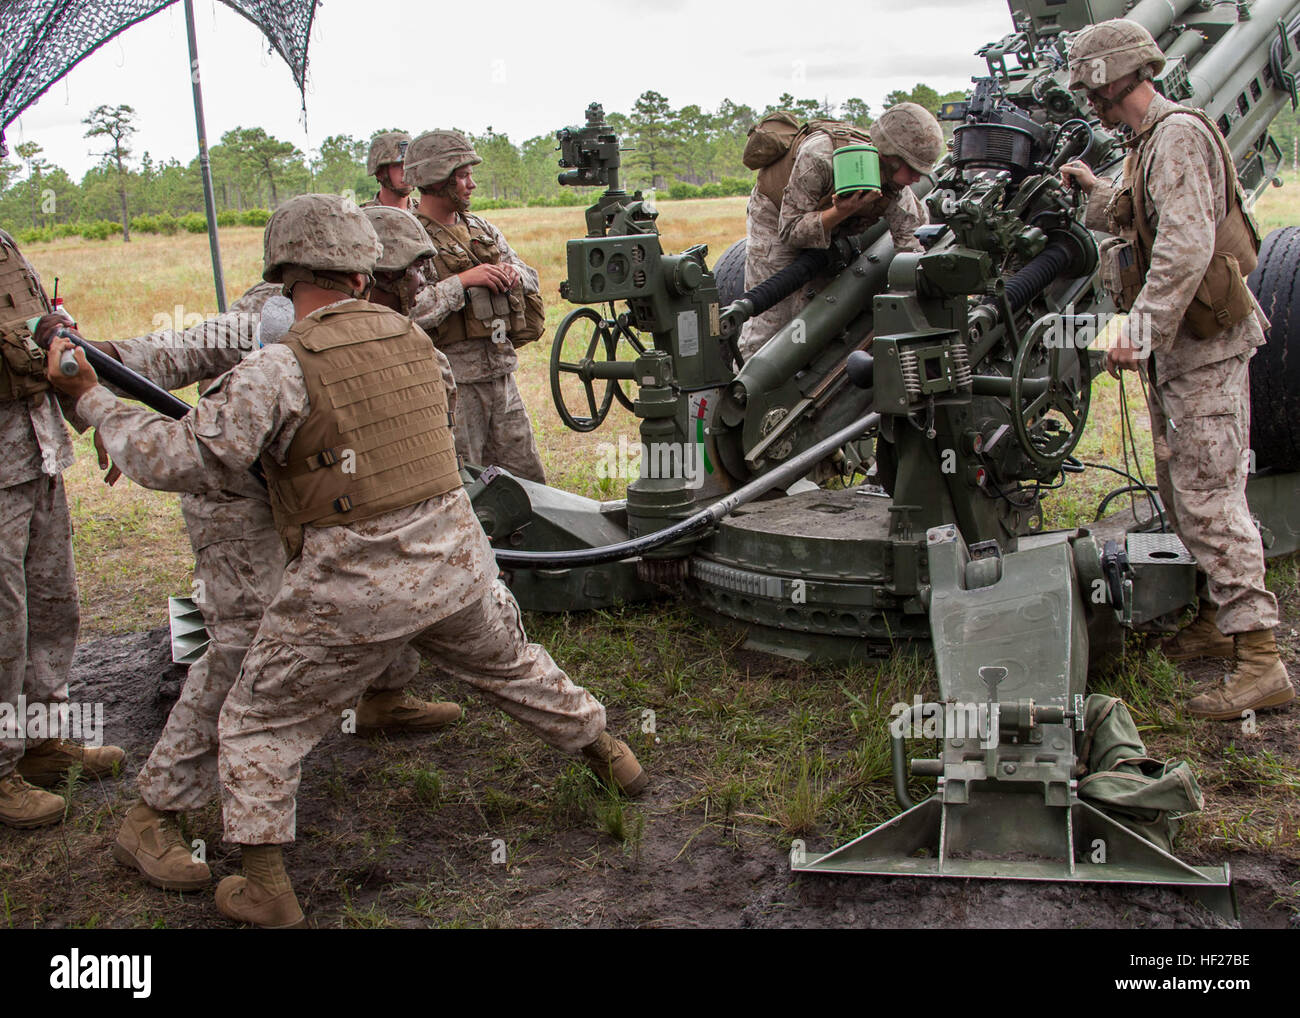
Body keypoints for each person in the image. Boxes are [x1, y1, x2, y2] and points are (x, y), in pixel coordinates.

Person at [45, 194, 645, 927]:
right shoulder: (412, 342)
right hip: (454, 567)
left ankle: (264, 880)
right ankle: (609, 750)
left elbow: (179, 453)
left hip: (352, 578)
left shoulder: (283, 363)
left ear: (287, 271)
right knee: (510, 664)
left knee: (258, 716)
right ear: (365, 276)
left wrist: (90, 404)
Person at [98, 270, 459, 893]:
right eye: (409, 279)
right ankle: (154, 814)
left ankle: (383, 698)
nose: (422, 287)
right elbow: (179, 348)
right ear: (358, 273)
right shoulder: (273, 315)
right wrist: (101, 365)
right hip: (235, 497)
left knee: (387, 574)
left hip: (309, 491)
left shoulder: (383, 319)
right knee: (245, 650)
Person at [1061, 18, 1295, 720]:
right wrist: (1093, 192)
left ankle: (1259, 659)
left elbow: (1187, 245)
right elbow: (1144, 219)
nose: (1086, 102)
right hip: (1182, 347)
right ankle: (1211, 620)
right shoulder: (1146, 145)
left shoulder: (1178, 136)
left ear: (1110, 77)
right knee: (1182, 485)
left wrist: (1141, 328)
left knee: (1212, 493)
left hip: (1201, 346)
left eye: (1088, 87)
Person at [0, 222, 124, 829]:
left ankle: (42, 742)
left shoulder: (3, 242)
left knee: (52, 605)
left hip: (33, 451)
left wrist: (86, 408)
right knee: (3, 622)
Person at [738, 103, 942, 358]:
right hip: (776, 214)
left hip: (828, 223)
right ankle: (745, 387)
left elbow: (912, 246)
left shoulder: (897, 188)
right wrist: (840, 212)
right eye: (912, 169)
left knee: (820, 308)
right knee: (772, 313)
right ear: (890, 157)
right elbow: (790, 231)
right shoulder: (821, 157)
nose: (917, 178)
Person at [403, 130, 548, 482]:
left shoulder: (482, 229)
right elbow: (407, 314)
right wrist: (464, 282)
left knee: (528, 485)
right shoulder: (409, 238)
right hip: (453, 387)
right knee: (464, 484)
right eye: (463, 175)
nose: (472, 184)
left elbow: (531, 277)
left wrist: (510, 273)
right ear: (437, 179)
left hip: (502, 377)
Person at [361, 131, 415, 210]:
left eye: (409, 164)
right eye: (396, 166)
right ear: (380, 172)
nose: (405, 171)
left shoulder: (426, 216)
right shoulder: (362, 217)